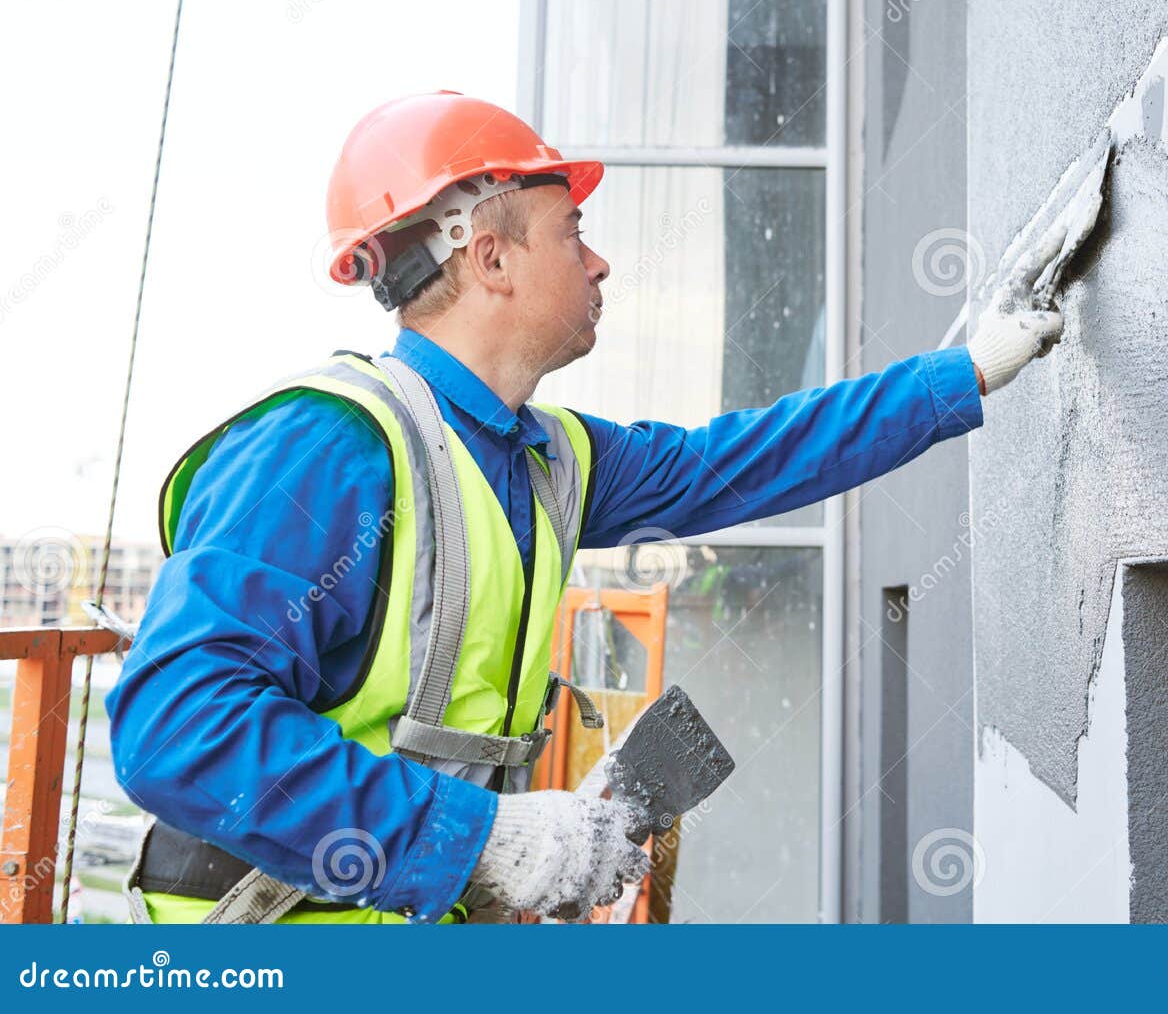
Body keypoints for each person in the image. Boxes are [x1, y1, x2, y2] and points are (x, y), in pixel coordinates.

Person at [106, 92, 1064, 924]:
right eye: (572, 233)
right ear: (491, 258)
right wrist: (486, 836)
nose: (599, 262)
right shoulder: (326, 445)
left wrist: (967, 370)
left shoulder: (548, 458)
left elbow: (749, 457)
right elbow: (177, 727)